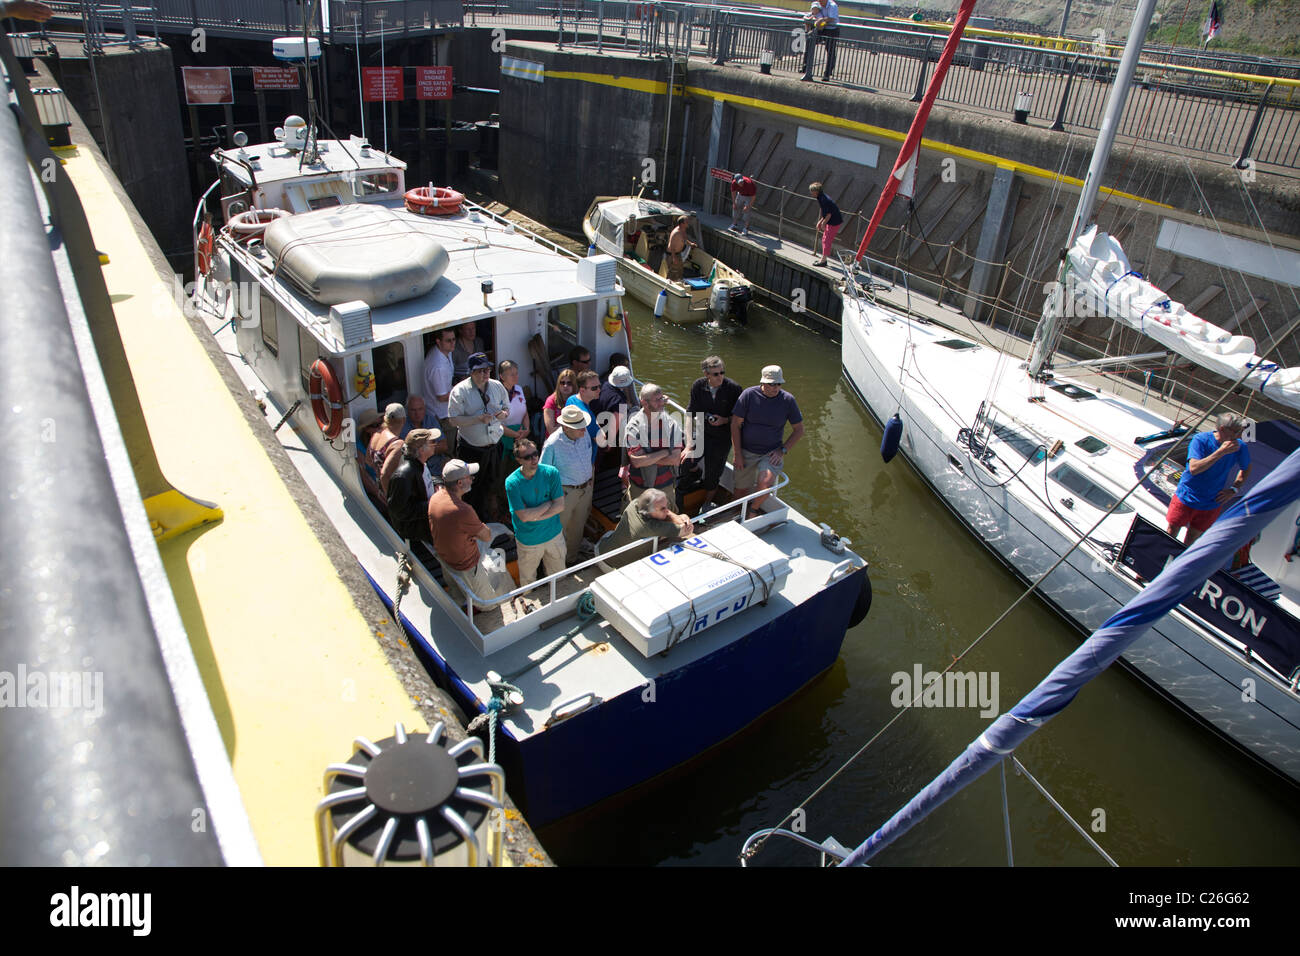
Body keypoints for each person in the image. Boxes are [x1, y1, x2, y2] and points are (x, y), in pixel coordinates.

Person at [428, 460, 515, 609]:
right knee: (488, 604)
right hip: (466, 566)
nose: (472, 479)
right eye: (469, 477)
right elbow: (486, 536)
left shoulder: (435, 498)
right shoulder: (463, 510)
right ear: (460, 483)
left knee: (457, 592)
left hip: (446, 560)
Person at [1166, 413, 1252, 545]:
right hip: (1186, 497)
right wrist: (1220, 452)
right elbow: (1194, 469)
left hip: (1211, 502)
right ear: (1222, 429)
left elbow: (1246, 468)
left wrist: (1234, 489)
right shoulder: (1200, 440)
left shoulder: (1239, 447)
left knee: (1193, 539)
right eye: (1236, 432)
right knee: (1171, 532)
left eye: (1240, 432)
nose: (1238, 436)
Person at [731, 365, 804, 512]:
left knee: (765, 483)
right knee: (740, 491)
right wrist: (737, 454)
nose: (775, 387)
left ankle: (753, 510)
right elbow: (735, 425)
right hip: (746, 451)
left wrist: (782, 450)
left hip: (770, 453)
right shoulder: (748, 395)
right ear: (763, 382)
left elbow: (799, 430)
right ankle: (736, 511)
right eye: (771, 384)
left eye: (778, 384)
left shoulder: (788, 400)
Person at [447, 352, 510, 520]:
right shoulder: (460, 391)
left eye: (487, 370)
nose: (484, 374)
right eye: (479, 371)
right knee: (472, 489)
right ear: (471, 372)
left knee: (493, 483)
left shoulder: (497, 386)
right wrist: (477, 419)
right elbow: (453, 420)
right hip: (472, 449)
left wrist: (503, 414)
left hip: (494, 446)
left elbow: (506, 407)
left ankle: (491, 515)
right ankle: (473, 518)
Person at [504, 438, 567, 592]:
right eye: (528, 457)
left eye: (535, 454)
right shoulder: (512, 483)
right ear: (519, 460)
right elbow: (523, 517)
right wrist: (547, 505)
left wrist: (534, 514)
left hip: (554, 536)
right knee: (528, 583)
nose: (534, 459)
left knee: (559, 578)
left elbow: (560, 506)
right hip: (528, 541)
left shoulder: (551, 473)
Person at [685, 356, 743, 508]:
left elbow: (741, 418)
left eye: (722, 372)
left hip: (721, 439)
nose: (720, 377)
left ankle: (707, 502)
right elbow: (690, 414)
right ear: (706, 374)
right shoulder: (698, 386)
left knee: (712, 474)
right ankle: (695, 471)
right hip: (702, 432)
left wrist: (724, 420)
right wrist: (689, 443)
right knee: (685, 461)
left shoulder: (734, 389)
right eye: (716, 374)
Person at [540, 404, 595, 563]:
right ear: (566, 427)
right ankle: (553, 566)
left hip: (585, 490)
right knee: (558, 531)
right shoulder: (552, 444)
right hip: (564, 494)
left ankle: (570, 561)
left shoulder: (582, 434)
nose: (584, 430)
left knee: (577, 529)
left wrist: (590, 481)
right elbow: (544, 474)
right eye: (579, 427)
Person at [597, 488, 695, 571]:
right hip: (611, 565)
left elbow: (666, 512)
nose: (667, 510)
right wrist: (683, 517)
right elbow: (686, 531)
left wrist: (677, 517)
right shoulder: (650, 527)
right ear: (650, 510)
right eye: (662, 509)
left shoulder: (635, 503)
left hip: (602, 547)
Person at [626, 382, 686, 510]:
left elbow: (675, 459)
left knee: (667, 519)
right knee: (641, 521)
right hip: (641, 488)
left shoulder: (671, 424)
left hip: (666, 487)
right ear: (644, 402)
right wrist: (665, 452)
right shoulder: (633, 427)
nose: (661, 403)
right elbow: (637, 462)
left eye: (661, 399)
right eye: (657, 400)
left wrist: (647, 459)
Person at [386, 428, 442, 562]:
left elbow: (427, 479)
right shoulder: (403, 476)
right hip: (416, 531)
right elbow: (400, 512)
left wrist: (438, 484)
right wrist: (433, 504)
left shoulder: (420, 465)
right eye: (432, 442)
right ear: (421, 449)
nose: (435, 444)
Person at [423, 328, 456, 445]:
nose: (452, 343)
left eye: (454, 339)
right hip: (442, 416)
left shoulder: (446, 351)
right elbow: (441, 397)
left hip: (445, 412)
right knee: (449, 447)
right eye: (448, 340)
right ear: (438, 341)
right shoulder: (438, 367)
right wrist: (460, 390)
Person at [355, 407, 388, 515]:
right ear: (367, 429)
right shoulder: (359, 449)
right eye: (375, 426)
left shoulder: (385, 440)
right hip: (377, 488)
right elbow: (363, 475)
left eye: (380, 424)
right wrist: (378, 493)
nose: (379, 428)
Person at [566, 370, 603, 464]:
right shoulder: (587, 416)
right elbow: (601, 441)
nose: (599, 390)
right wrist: (600, 427)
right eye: (594, 388)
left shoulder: (571, 399)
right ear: (582, 390)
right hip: (585, 463)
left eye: (599, 386)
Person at [369, 402, 407, 496]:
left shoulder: (376, 435)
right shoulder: (397, 444)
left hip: (380, 487)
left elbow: (368, 460)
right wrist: (389, 498)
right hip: (394, 493)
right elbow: (384, 474)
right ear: (404, 420)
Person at [498, 359, 530, 461]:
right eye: (512, 374)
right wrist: (516, 435)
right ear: (502, 376)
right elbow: (495, 422)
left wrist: (526, 430)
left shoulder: (519, 389)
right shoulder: (496, 393)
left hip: (520, 436)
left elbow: (525, 412)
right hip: (502, 439)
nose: (516, 376)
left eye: (516, 373)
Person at [809, 182, 843, 267]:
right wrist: (820, 222)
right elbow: (825, 213)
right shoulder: (820, 197)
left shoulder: (824, 199)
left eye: (812, 191)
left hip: (834, 222)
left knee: (827, 240)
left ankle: (823, 260)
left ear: (816, 192)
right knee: (825, 239)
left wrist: (823, 224)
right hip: (830, 220)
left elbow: (829, 214)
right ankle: (823, 259)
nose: (811, 193)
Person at [543, 368, 578, 437]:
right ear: (558, 384)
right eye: (562, 383)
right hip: (555, 440)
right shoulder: (551, 400)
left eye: (569, 383)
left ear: (574, 385)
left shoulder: (577, 400)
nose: (565, 386)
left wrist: (560, 426)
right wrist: (571, 426)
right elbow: (551, 430)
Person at [665, 215, 696, 283]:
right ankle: (668, 286)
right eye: (686, 222)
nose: (688, 223)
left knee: (680, 271)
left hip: (678, 254)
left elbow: (685, 238)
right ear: (682, 224)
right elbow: (672, 246)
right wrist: (674, 258)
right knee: (673, 272)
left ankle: (678, 283)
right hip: (672, 255)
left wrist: (690, 244)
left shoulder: (683, 230)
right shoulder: (676, 233)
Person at [818, 0, 840, 81]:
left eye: (821, 1)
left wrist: (821, 19)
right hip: (824, 28)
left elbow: (832, 18)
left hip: (832, 30)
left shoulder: (832, 5)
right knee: (810, 40)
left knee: (830, 50)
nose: (820, 3)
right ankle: (806, 68)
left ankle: (827, 73)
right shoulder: (820, 4)